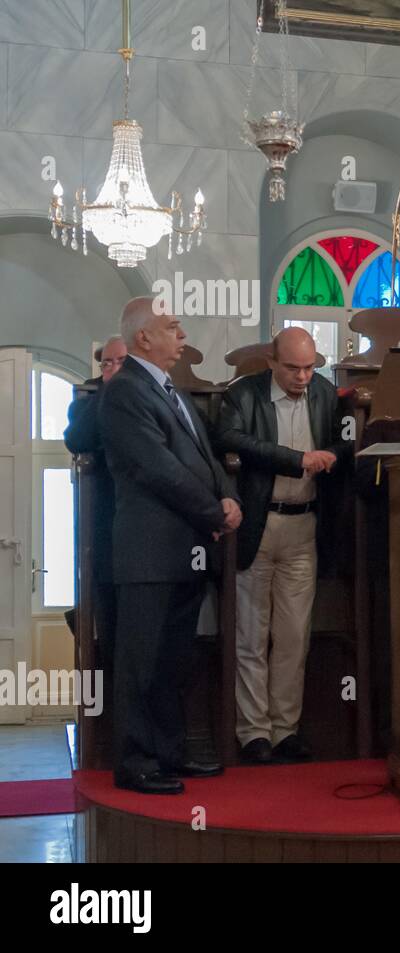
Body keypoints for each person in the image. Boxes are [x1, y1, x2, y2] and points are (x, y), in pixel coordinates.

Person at [100, 298, 241, 794]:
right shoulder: (124, 393)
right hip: (148, 554)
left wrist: (229, 496)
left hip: (186, 550)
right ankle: (136, 762)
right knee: (140, 663)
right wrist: (213, 511)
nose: (183, 337)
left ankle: (168, 753)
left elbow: (205, 457)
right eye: (173, 328)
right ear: (144, 338)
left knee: (171, 662)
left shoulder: (169, 389)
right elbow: (157, 470)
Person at [217, 328, 351, 764]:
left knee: (294, 636)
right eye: (292, 367)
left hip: (305, 526)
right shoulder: (244, 394)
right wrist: (295, 460)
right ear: (271, 362)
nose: (302, 376)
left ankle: (284, 730)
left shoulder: (326, 393)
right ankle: (253, 733)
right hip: (258, 522)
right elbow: (231, 441)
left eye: (310, 367)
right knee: (251, 636)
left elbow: (346, 441)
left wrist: (331, 454)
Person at [64, 336, 128, 675]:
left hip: (156, 541)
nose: (113, 369)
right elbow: (77, 437)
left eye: (121, 363)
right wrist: (110, 391)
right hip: (107, 539)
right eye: (107, 363)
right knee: (113, 640)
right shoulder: (88, 404)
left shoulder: (161, 399)